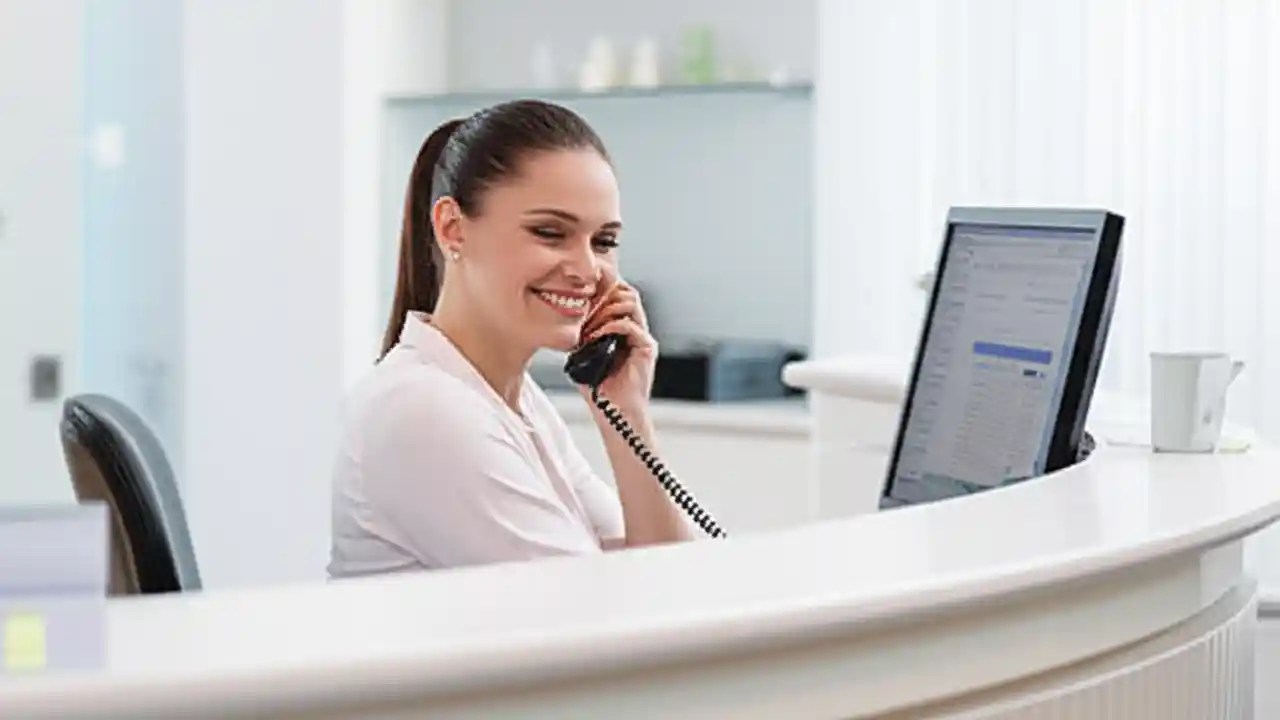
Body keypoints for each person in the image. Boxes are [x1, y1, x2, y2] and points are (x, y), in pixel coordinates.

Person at [328, 99, 695, 577]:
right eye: (550, 233)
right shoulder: (423, 410)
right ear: (453, 229)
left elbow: (674, 580)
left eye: (603, 242)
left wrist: (626, 414)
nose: (588, 270)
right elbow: (608, 616)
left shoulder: (518, 403)